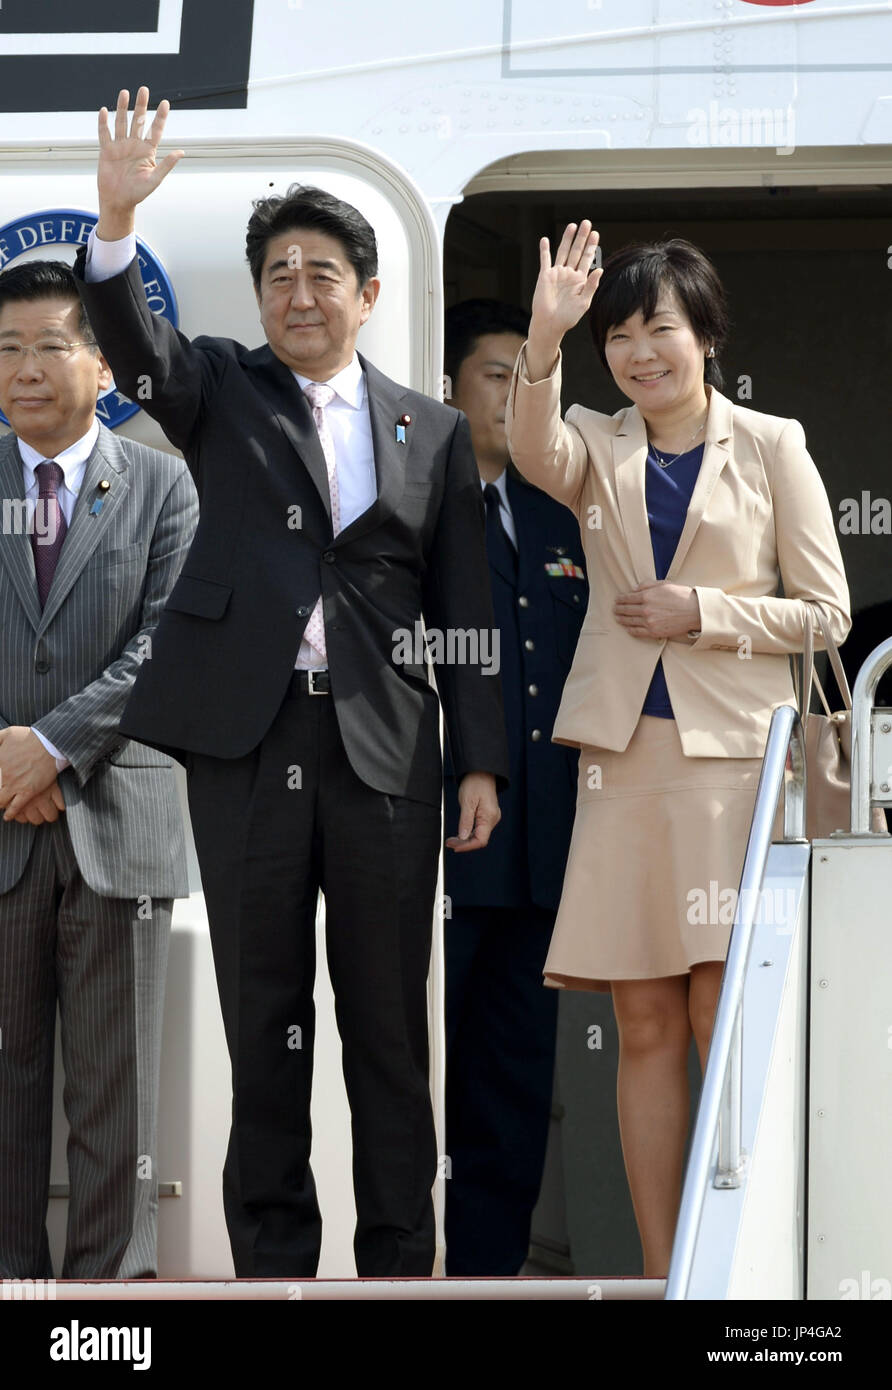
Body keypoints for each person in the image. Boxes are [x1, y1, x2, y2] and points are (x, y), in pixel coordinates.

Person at [75, 87, 509, 1279]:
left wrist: (477, 757)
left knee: (387, 1029)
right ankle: (272, 1268)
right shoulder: (220, 387)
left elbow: (463, 605)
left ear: (368, 295)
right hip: (249, 747)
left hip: (384, 756)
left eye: (324, 273)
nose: (300, 292)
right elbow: (136, 350)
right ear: (259, 297)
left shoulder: (429, 430)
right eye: (279, 274)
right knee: (264, 1024)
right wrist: (114, 224)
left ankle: (396, 1267)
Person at [505, 223, 850, 1277]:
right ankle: (667, 1271)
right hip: (623, 761)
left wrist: (702, 610)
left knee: (718, 1009)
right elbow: (529, 451)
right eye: (617, 335)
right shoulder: (595, 445)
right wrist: (542, 337)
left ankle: (740, 1265)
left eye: (657, 328)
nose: (637, 353)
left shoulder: (771, 442)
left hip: (735, 763)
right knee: (643, 1019)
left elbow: (826, 613)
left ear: (704, 335)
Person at [0, 259, 198, 1278]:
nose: (25, 369)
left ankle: (107, 1313)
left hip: (118, 823)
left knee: (116, 1109)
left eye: (48, 344)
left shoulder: (165, 482)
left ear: (102, 362)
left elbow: (171, 644)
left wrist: (50, 745)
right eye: (6, 348)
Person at [441, 300, 587, 1275]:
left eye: (525, 374)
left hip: (542, 846)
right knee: (425, 1066)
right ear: (448, 384)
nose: (509, 392)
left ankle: (488, 1277)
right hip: (446, 842)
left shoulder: (560, 515)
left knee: (517, 1072)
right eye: (494, 372)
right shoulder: (418, 507)